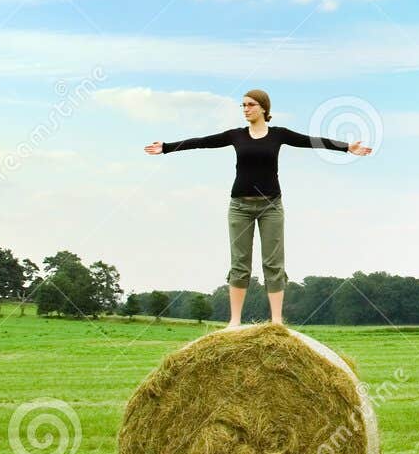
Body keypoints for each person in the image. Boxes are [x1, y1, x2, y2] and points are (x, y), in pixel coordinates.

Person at [144, 89, 371, 327]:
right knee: (239, 264)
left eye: (250, 104)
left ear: (263, 107)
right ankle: (234, 321)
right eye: (243, 105)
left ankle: (276, 322)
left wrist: (346, 147)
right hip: (239, 206)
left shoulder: (279, 135)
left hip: (271, 206)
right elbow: (202, 142)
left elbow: (311, 141)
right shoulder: (235, 135)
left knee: (273, 264)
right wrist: (167, 147)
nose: (246, 109)